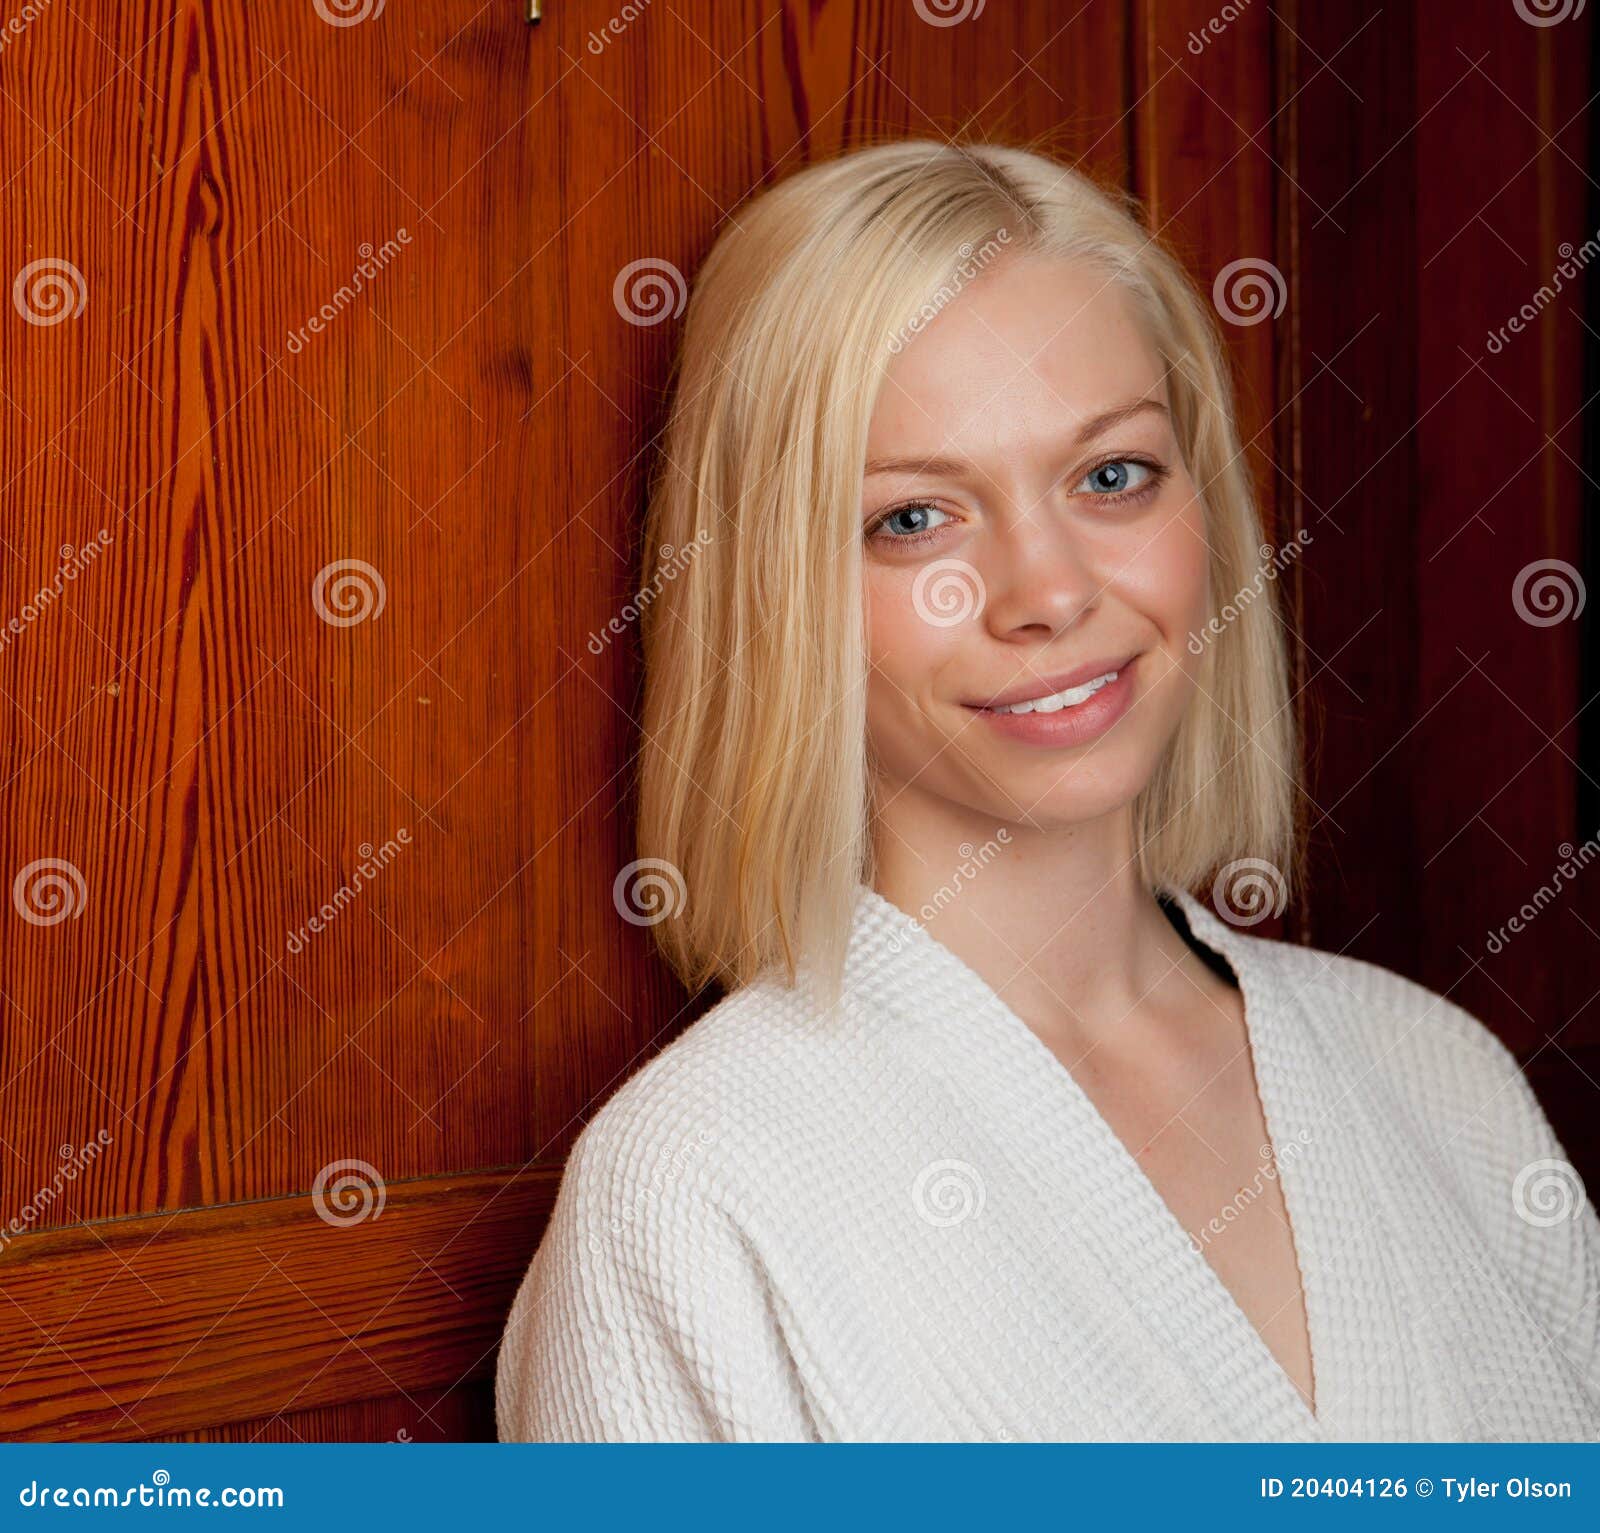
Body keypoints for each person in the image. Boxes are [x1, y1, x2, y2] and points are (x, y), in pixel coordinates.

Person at [494, 139, 1600, 1442]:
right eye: (914, 517)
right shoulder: (695, 1191)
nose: (1052, 591)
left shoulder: (1438, 1072)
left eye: (1112, 475)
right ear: (775, 591)